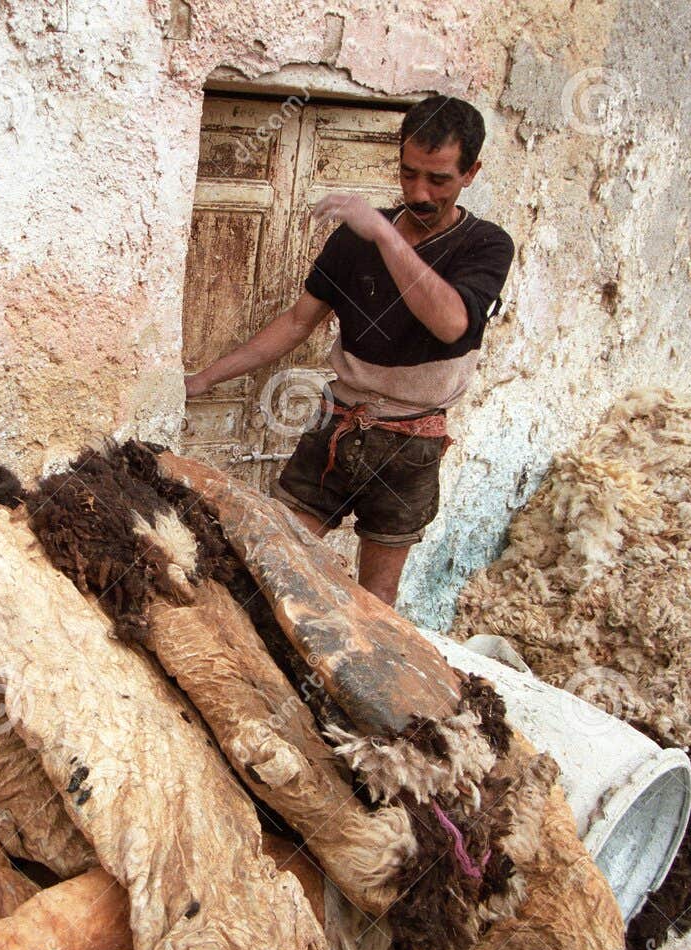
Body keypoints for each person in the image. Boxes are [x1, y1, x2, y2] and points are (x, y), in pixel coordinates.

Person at [184, 94, 514, 605]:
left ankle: (354, 681)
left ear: (471, 172)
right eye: (408, 175)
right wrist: (205, 379)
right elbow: (297, 322)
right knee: (270, 562)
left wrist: (386, 236)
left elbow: (451, 322)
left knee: (375, 599)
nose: (419, 193)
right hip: (334, 424)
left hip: (412, 444)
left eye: (438, 179)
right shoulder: (355, 239)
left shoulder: (486, 244)